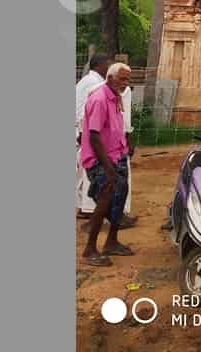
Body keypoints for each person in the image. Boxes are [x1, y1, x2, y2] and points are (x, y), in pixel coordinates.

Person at [80, 63, 134, 267]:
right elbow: (94, 136)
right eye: (122, 79)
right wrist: (108, 168)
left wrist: (125, 147)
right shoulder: (100, 99)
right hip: (101, 159)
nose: (125, 83)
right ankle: (89, 249)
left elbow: (114, 128)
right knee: (105, 199)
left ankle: (111, 241)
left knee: (120, 196)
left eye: (128, 79)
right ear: (110, 78)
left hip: (116, 156)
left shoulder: (115, 98)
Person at [75, 53, 110, 218]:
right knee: (88, 170)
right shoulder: (94, 83)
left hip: (82, 130)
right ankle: (86, 208)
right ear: (98, 66)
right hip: (83, 131)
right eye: (107, 64)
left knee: (83, 171)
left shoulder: (88, 81)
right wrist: (83, 132)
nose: (110, 67)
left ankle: (84, 206)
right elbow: (84, 110)